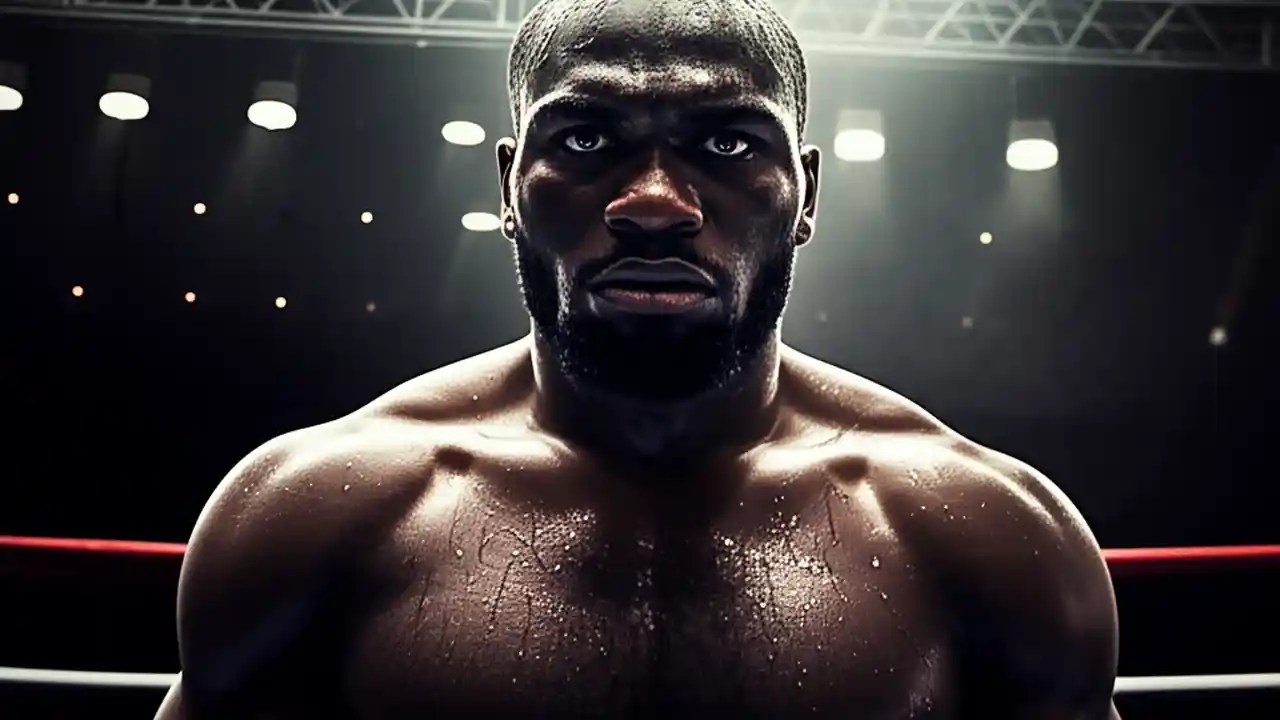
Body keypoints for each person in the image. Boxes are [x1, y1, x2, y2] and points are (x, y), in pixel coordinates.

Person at [156, 0, 1121, 717]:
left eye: (727, 142)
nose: (655, 203)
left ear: (806, 194)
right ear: (510, 184)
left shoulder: (988, 532)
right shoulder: (314, 511)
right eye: (586, 137)